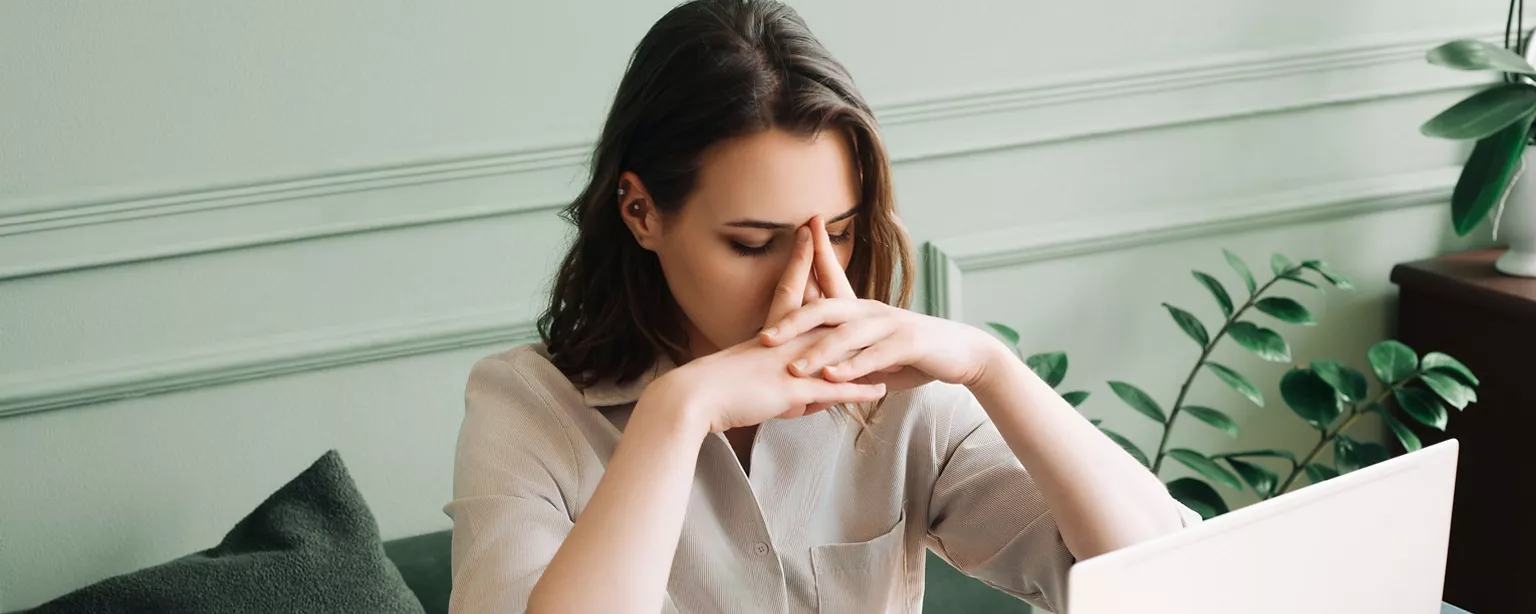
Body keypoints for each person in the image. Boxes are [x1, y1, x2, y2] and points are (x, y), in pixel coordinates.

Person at [443, 1, 1200, 612]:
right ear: (641, 211)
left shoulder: (894, 394)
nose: (806, 283)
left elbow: (1168, 586)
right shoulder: (525, 409)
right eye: (752, 243)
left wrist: (990, 367)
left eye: (836, 233)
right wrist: (679, 411)